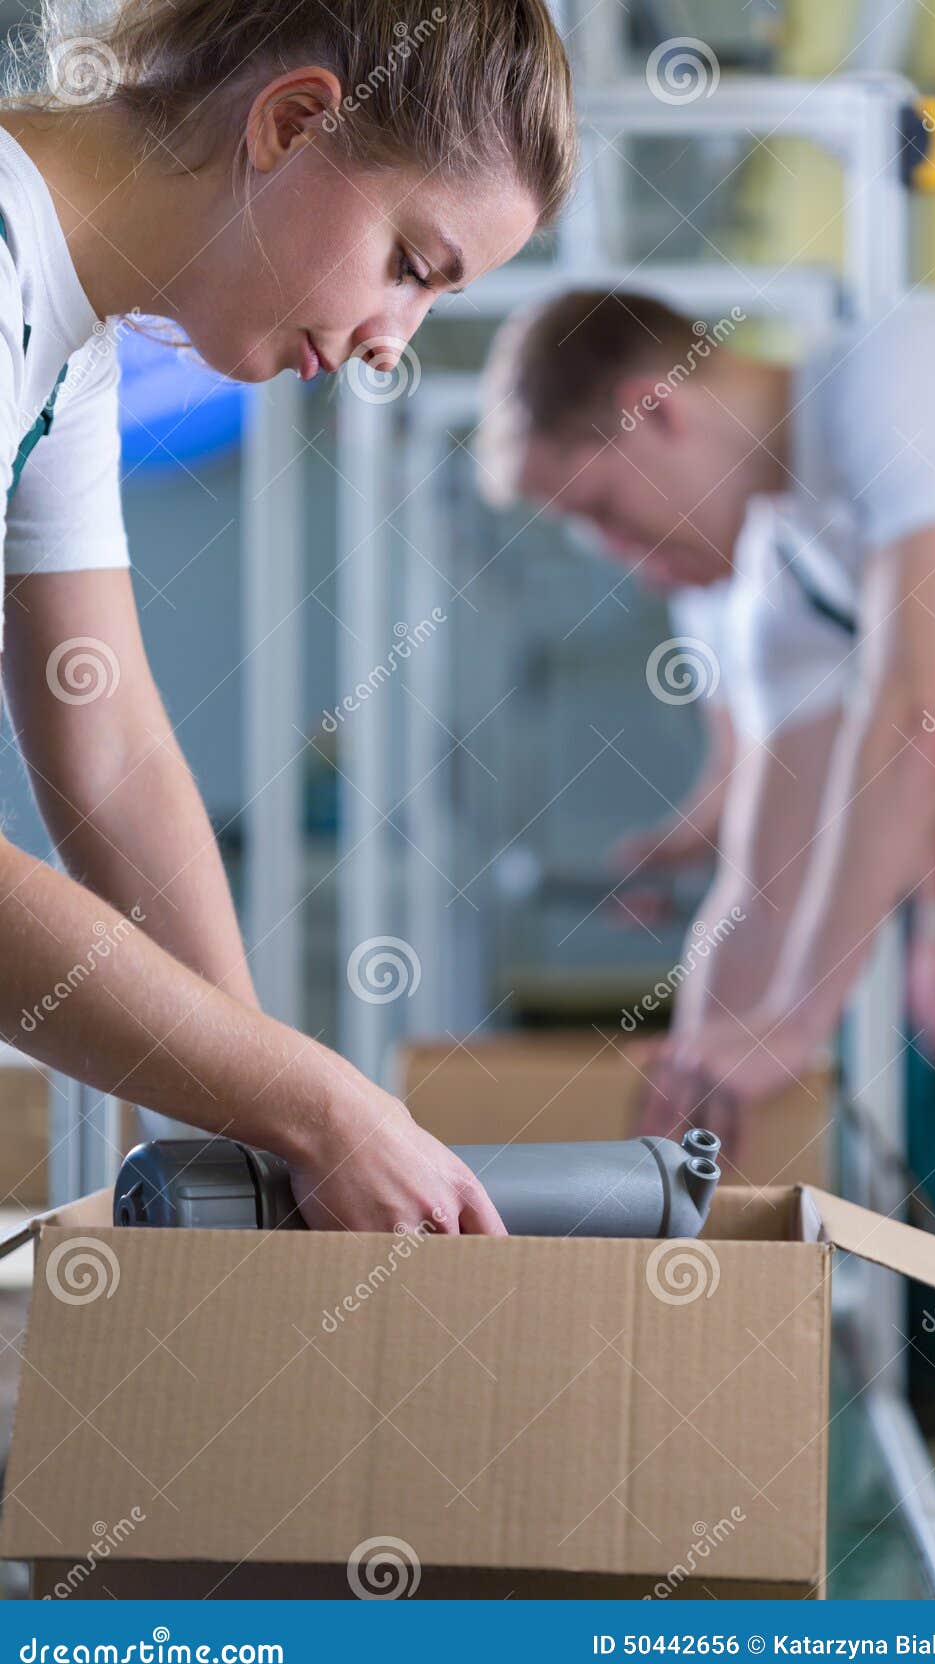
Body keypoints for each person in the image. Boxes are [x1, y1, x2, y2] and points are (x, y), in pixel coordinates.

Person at [0, 0, 576, 1232]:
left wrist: (256, 1143)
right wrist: (311, 1107)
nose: (390, 345)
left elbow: (108, 743)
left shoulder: (72, 347)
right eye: (411, 267)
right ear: (294, 123)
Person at [475, 288, 935, 1144]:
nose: (628, 565)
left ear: (654, 411)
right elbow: (761, 880)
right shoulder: (786, 571)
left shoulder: (897, 375)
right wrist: (694, 1078)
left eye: (602, 510)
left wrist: (792, 1021)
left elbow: (913, 714)